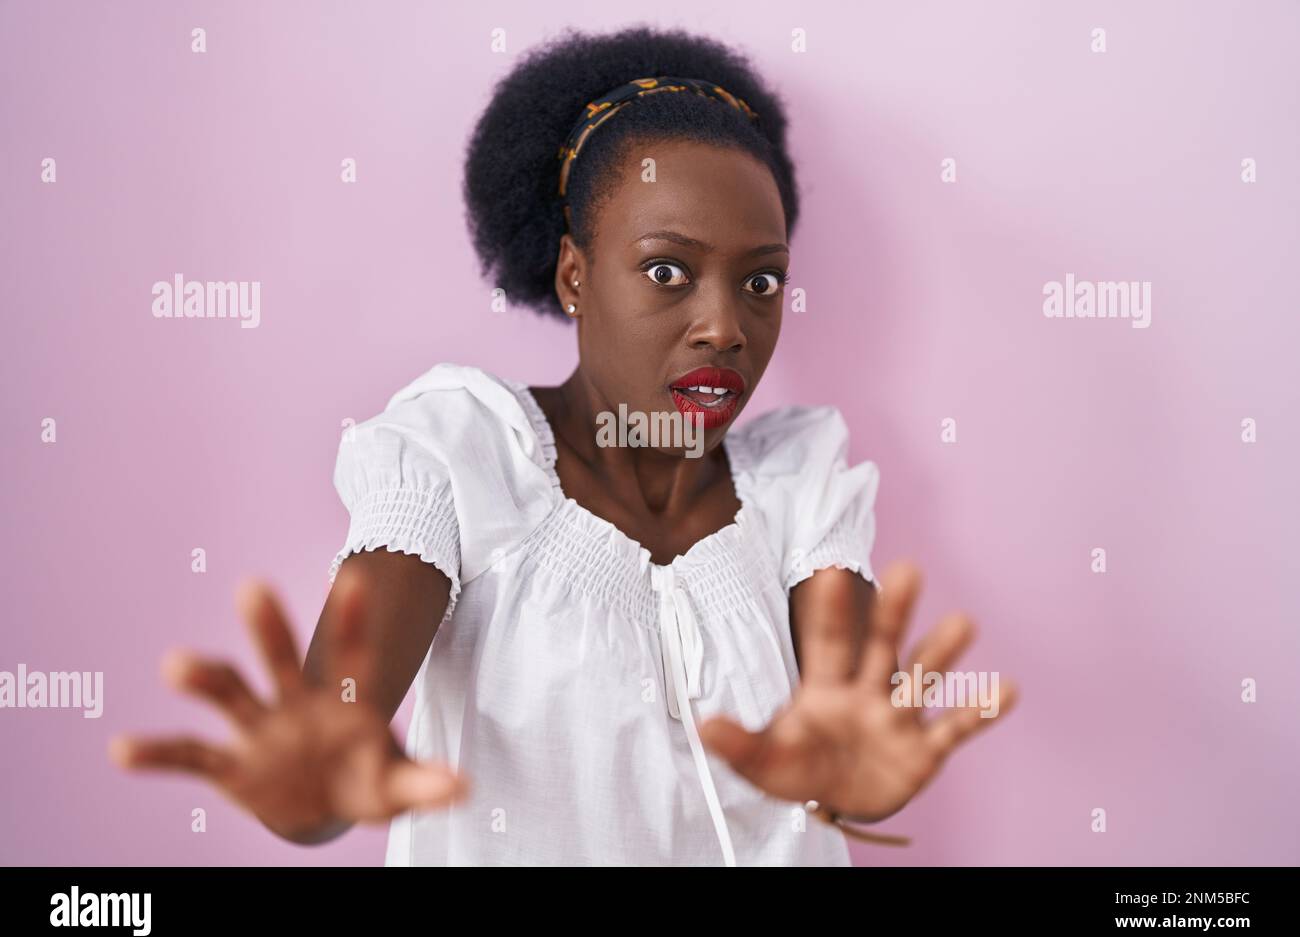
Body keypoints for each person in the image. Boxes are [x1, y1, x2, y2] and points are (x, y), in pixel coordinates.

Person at [110, 25, 1017, 866]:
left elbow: (850, 731)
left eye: (761, 281)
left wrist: (855, 777)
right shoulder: (461, 456)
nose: (724, 326)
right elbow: (332, 742)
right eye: (667, 270)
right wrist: (315, 778)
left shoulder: (798, 483)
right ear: (575, 274)